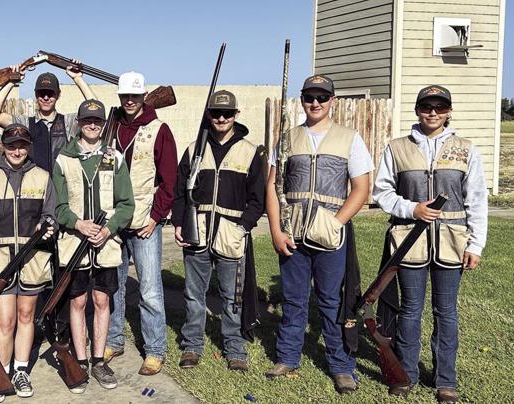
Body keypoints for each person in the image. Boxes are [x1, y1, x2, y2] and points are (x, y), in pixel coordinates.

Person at [372, 85, 487, 403]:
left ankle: (445, 381)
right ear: (417, 109)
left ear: (449, 111)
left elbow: (476, 199)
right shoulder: (396, 148)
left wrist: (475, 244)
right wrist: (412, 209)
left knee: (446, 312)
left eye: (439, 106)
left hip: (451, 243)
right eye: (426, 106)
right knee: (410, 310)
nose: (432, 112)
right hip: (410, 242)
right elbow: (382, 192)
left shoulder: (465, 149)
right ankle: (405, 375)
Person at [264, 75, 372, 394]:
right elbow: (272, 185)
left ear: (332, 101)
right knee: (294, 300)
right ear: (301, 99)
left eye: (322, 97)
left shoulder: (349, 138)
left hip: (330, 235)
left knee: (330, 301)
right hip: (293, 232)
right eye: (309, 96)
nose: (315, 103)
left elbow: (361, 188)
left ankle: (341, 366)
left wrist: (336, 223)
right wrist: (276, 230)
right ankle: (287, 358)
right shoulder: (286, 138)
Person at [172, 90, 265, 371]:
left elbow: (258, 199)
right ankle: (192, 346)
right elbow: (179, 192)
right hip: (197, 230)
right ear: (208, 115)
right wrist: (179, 222)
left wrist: (242, 227)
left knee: (231, 297)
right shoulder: (193, 150)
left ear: (236, 115)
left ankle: (234, 348)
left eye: (226, 113)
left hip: (231, 234)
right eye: (215, 113)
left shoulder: (250, 152)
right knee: (193, 294)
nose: (221, 118)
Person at [0, 124, 57, 403]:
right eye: (11, 145)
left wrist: (49, 226)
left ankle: (21, 370)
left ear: (28, 147)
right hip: (0, 263)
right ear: (3, 147)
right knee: (4, 322)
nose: (17, 150)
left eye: (22, 145)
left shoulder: (43, 177)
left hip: (32, 261)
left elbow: (51, 214)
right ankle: (2, 372)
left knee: (26, 317)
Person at [52, 99, 134, 393]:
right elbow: (58, 206)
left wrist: (108, 229)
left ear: (103, 124)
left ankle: (99, 361)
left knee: (102, 302)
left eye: (97, 121)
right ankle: (81, 359)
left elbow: (127, 205)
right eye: (87, 120)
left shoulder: (115, 158)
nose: (92, 125)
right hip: (74, 243)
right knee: (77, 302)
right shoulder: (63, 159)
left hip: (106, 245)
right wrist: (79, 224)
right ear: (80, 123)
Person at [105, 71, 177, 376]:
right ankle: (113, 339)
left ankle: (155, 349)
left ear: (142, 96)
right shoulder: (111, 127)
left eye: (135, 95)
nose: (130, 101)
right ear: (120, 97)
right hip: (113, 224)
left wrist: (155, 217)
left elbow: (169, 181)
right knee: (113, 287)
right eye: (125, 96)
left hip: (144, 222)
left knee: (149, 289)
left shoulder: (159, 129)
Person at [0, 63, 97, 174]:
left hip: (62, 188)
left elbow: (96, 109)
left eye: (50, 93)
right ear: (35, 94)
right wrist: (11, 81)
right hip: (33, 188)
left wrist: (77, 78)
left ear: (58, 95)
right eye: (41, 93)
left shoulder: (68, 122)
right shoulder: (25, 124)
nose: (45, 97)